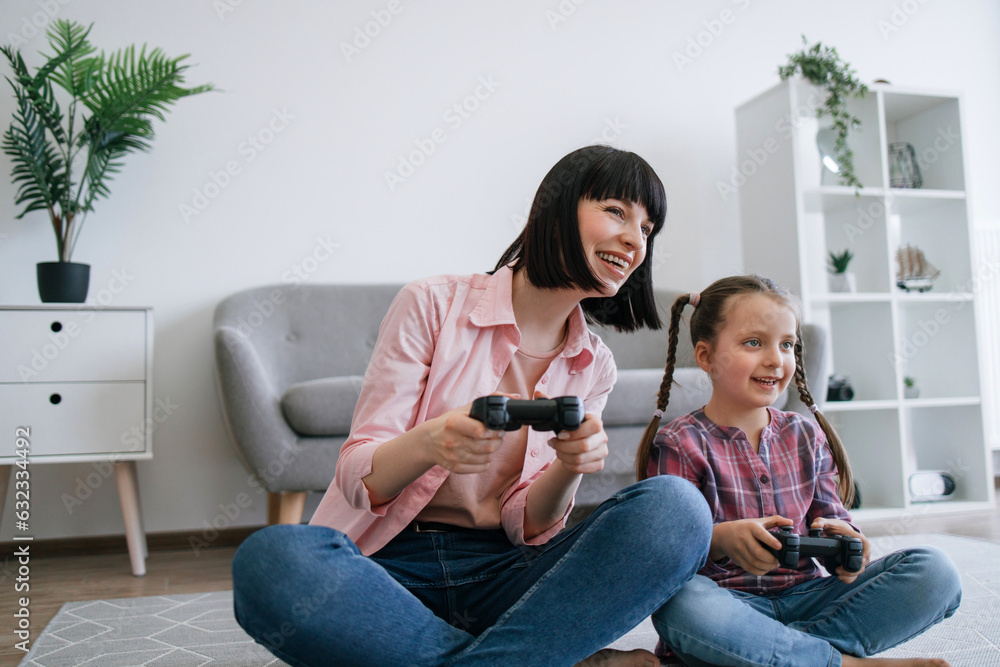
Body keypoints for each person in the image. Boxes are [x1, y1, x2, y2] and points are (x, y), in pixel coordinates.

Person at [232, 145, 714, 667]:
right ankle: (541, 659)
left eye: (647, 229)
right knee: (272, 560)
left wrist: (570, 468)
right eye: (617, 211)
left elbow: (528, 524)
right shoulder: (431, 304)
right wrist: (432, 441)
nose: (634, 240)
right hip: (387, 570)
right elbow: (357, 476)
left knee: (678, 510)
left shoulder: (595, 364)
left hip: (505, 577)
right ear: (555, 207)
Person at [633, 274, 962, 667]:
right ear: (705, 357)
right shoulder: (680, 442)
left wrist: (848, 545)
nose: (776, 358)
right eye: (753, 342)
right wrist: (722, 539)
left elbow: (832, 520)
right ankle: (841, 663)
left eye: (787, 344)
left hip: (809, 600)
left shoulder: (804, 434)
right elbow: (666, 556)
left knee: (935, 573)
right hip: (727, 606)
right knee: (681, 606)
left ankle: (768, 657)